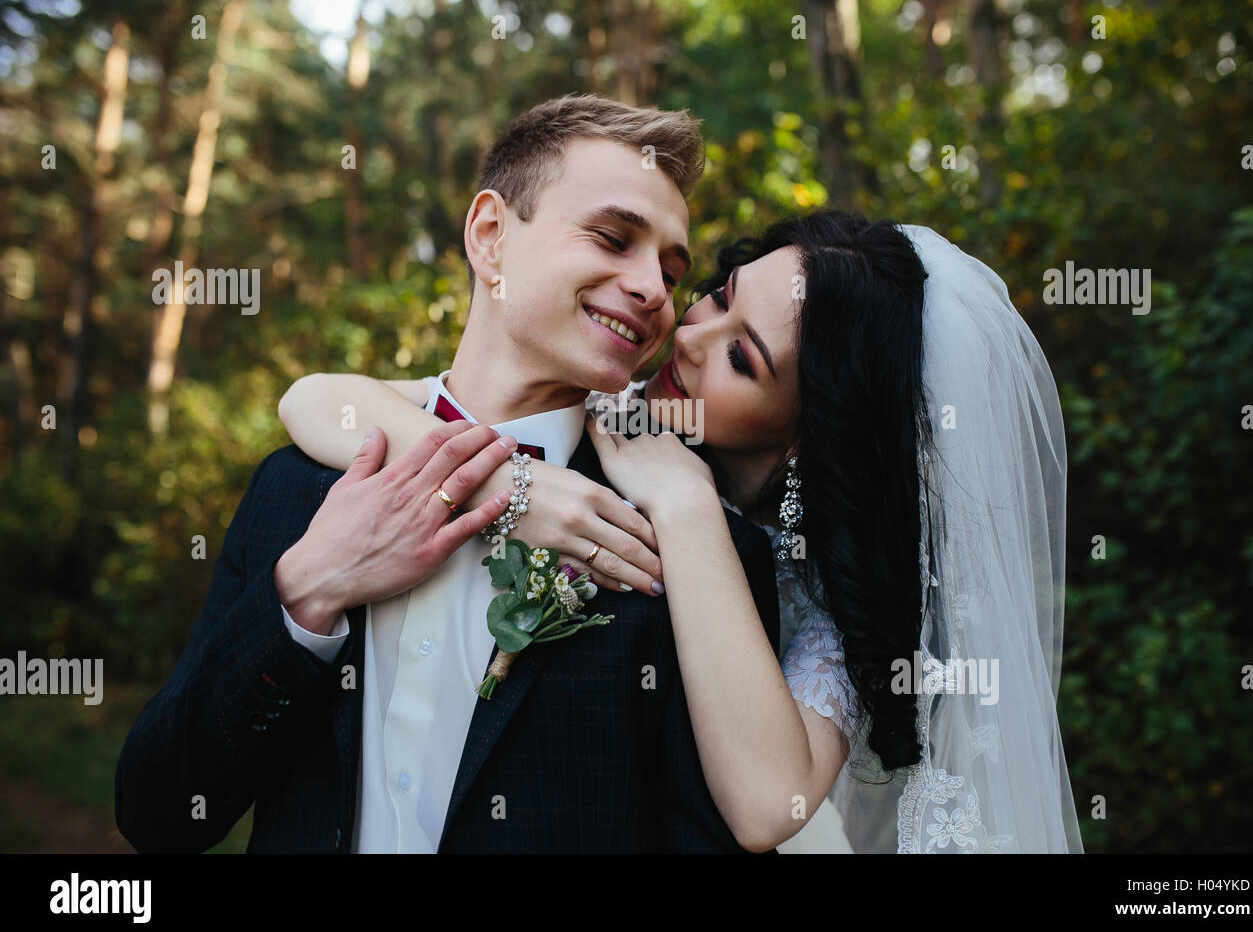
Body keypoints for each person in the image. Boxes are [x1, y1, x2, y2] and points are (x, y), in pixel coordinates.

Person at [281, 212, 1085, 852]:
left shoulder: (828, 588)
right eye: (721, 294)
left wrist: (686, 504)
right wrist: (509, 485)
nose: (691, 338)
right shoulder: (606, 400)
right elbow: (316, 399)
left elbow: (771, 807)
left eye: (742, 358)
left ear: (813, 429)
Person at [116, 94, 785, 853]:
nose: (655, 291)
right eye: (611, 237)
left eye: (670, 270)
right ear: (491, 236)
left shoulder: (684, 553)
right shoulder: (296, 487)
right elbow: (158, 813)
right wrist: (307, 596)